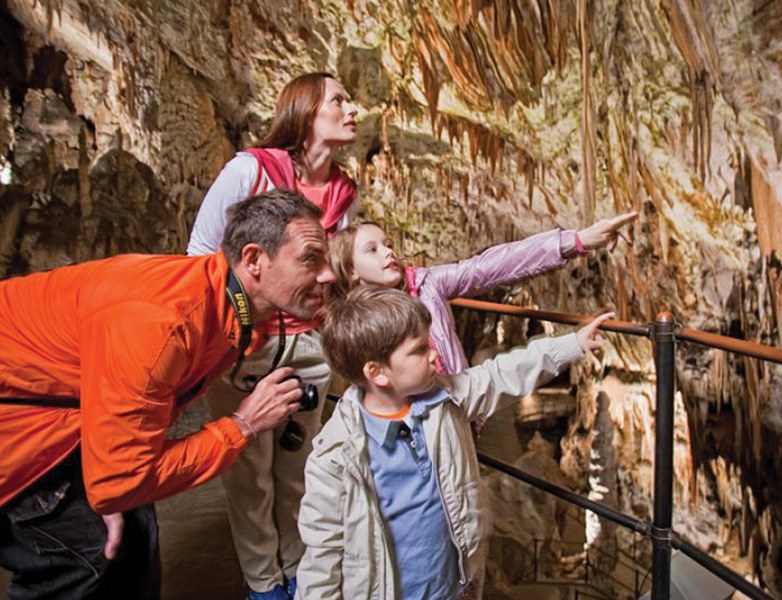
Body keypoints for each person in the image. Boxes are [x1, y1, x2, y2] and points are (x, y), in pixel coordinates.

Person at [0, 189, 333, 600]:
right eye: (310, 258)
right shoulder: (162, 322)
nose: (328, 274)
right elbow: (120, 481)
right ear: (253, 260)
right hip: (19, 434)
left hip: (74, 419)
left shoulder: (226, 309)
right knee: (84, 559)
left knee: (134, 543)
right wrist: (242, 425)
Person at [296, 285, 614, 599]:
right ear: (377, 372)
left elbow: (502, 374)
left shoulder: (447, 399)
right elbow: (322, 558)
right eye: (419, 349)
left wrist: (574, 342)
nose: (435, 353)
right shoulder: (336, 459)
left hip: (455, 587)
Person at [187, 72, 359, 600]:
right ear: (307, 112)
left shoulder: (343, 190)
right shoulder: (251, 171)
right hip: (246, 346)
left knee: (298, 472)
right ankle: (265, 585)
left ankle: (299, 575)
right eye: (340, 100)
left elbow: (337, 269)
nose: (353, 110)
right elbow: (201, 253)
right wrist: (236, 328)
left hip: (309, 346)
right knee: (250, 477)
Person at [328, 212, 638, 374]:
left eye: (388, 244)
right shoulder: (354, 325)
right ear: (351, 270)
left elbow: (491, 267)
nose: (387, 252)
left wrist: (577, 240)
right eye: (372, 249)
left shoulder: (426, 284)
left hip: (458, 403)